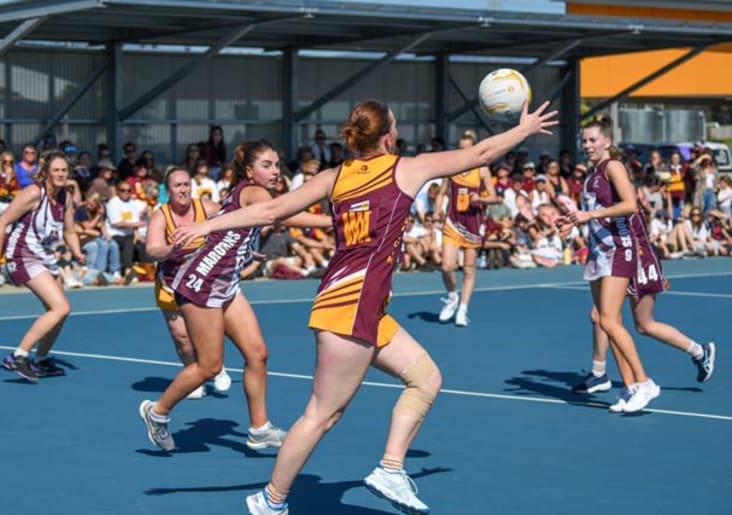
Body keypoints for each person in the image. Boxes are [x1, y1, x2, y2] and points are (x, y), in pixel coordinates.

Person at [171, 99, 557, 514]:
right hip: (350, 305)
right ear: (389, 135)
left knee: (426, 379)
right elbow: (478, 154)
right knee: (322, 415)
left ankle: (390, 469)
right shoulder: (404, 169)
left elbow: (270, 209)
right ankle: (270, 500)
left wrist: (207, 224)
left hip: (361, 305)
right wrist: (524, 129)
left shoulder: (335, 176)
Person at [139, 141, 331, 453]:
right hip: (203, 283)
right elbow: (281, 214)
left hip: (226, 283)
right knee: (209, 367)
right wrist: (334, 220)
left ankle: (259, 429)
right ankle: (157, 411)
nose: (274, 171)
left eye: (276, 164)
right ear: (248, 170)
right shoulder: (253, 192)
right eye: (266, 165)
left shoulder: (246, 192)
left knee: (257, 354)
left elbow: (278, 216)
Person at [559, 114, 659, 413]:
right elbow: (596, 213)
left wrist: (588, 216)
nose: (587, 145)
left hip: (619, 249)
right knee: (605, 320)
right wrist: (573, 221)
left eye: (592, 140)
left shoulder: (613, 167)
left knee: (610, 321)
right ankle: (629, 388)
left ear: (607, 141)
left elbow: (630, 205)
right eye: (584, 140)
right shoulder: (591, 174)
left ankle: (644, 383)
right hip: (599, 251)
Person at [572, 203, 716, 407]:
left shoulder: (620, 197)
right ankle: (604, 375)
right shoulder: (600, 193)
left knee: (642, 324)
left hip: (637, 261)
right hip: (617, 260)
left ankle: (699, 352)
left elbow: (620, 223)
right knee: (602, 316)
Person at [0, 151, 85, 382]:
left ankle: (40, 359)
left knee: (59, 315)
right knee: (61, 307)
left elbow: (69, 230)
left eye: (64, 170)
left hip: (46, 256)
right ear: (46, 173)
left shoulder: (65, 198)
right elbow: (1, 222)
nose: (61, 174)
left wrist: (76, 250)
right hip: (23, 255)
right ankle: (18, 356)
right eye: (56, 170)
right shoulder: (33, 193)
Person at [144, 167, 232, 400]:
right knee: (180, 335)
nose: (183, 190)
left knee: (206, 327)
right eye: (177, 186)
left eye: (186, 185)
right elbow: (152, 249)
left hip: (202, 278)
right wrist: (172, 249)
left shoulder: (207, 208)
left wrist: (247, 247)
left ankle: (216, 365)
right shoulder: (161, 216)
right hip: (171, 280)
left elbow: (235, 223)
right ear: (168, 191)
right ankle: (194, 376)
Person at [433, 131, 498, 327]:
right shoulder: (452, 169)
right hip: (453, 222)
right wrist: (437, 211)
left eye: (467, 148)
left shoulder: (482, 170)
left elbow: (495, 197)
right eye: (460, 148)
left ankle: (463, 309)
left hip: (472, 223)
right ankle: (452, 297)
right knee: (446, 266)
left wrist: (481, 199)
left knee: (469, 269)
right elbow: (441, 193)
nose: (463, 152)